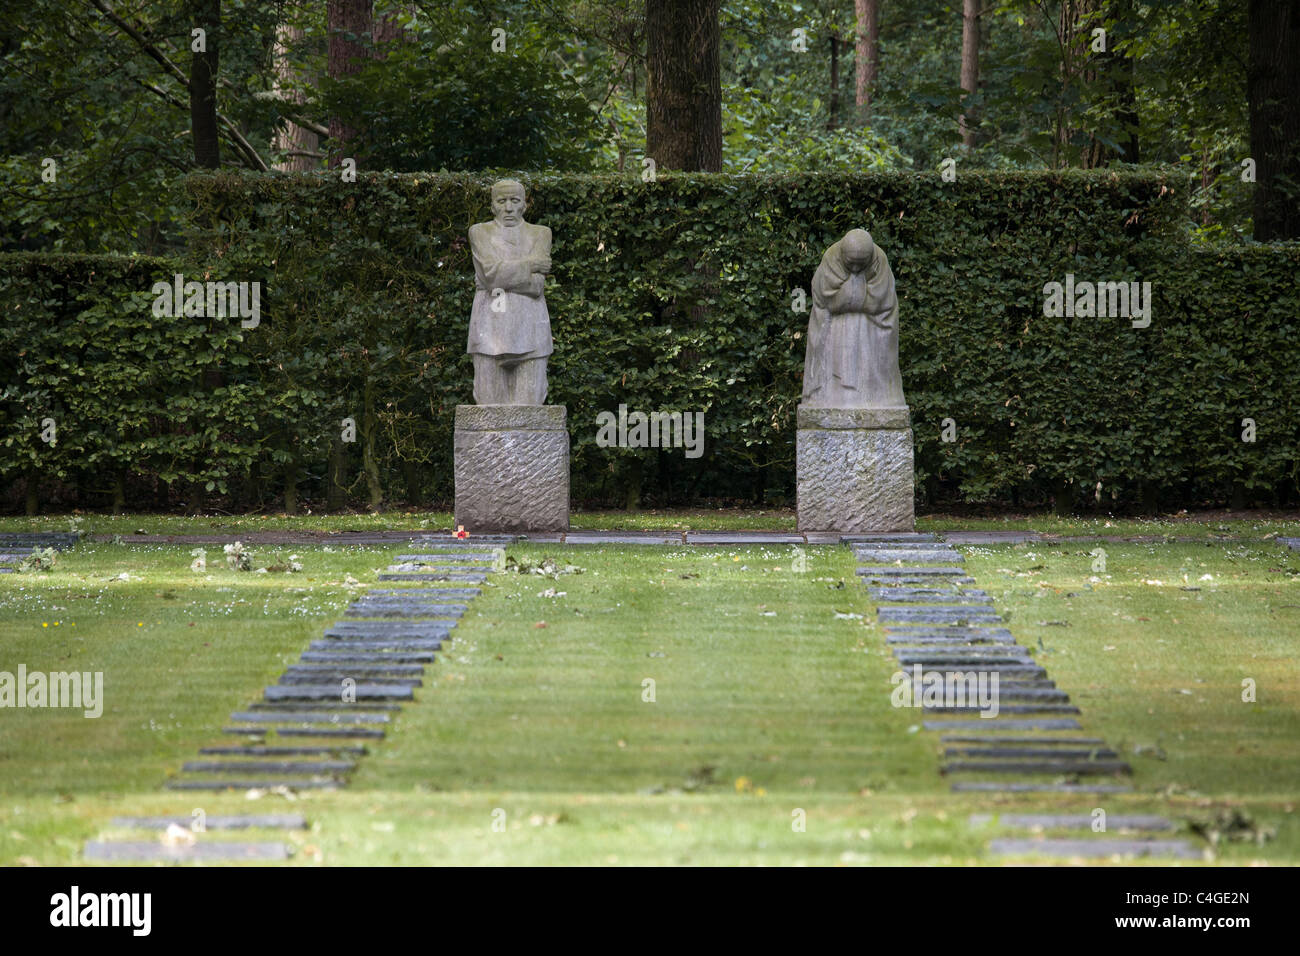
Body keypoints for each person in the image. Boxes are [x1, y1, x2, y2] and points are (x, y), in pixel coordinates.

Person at [466, 180, 553, 404]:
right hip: (488, 330)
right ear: (493, 205)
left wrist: (497, 276)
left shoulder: (541, 234)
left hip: (531, 331)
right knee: (488, 415)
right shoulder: (479, 232)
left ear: (524, 204)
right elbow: (490, 274)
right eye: (501, 201)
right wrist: (532, 264)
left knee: (530, 414)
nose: (508, 207)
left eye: (515, 201)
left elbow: (536, 286)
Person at [801, 228, 906, 409]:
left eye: (861, 264)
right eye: (851, 263)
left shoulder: (880, 261)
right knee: (839, 326)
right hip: (835, 330)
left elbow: (883, 302)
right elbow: (825, 299)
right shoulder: (831, 259)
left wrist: (853, 296)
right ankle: (833, 394)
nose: (856, 270)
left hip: (873, 328)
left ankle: (873, 396)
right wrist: (853, 295)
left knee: (866, 329)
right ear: (842, 254)